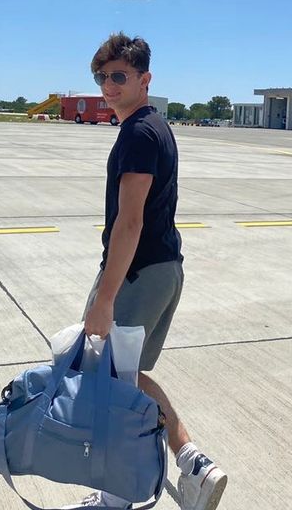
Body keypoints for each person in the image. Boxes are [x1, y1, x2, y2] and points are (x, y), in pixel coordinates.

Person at [64, 33, 227, 510]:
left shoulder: (138, 133)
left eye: (119, 75)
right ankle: (193, 463)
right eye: (101, 76)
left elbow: (130, 221)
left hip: (138, 274)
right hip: (160, 270)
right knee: (124, 377)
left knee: (111, 384)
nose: (108, 85)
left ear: (145, 79)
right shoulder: (153, 126)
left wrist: (105, 298)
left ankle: (120, 495)